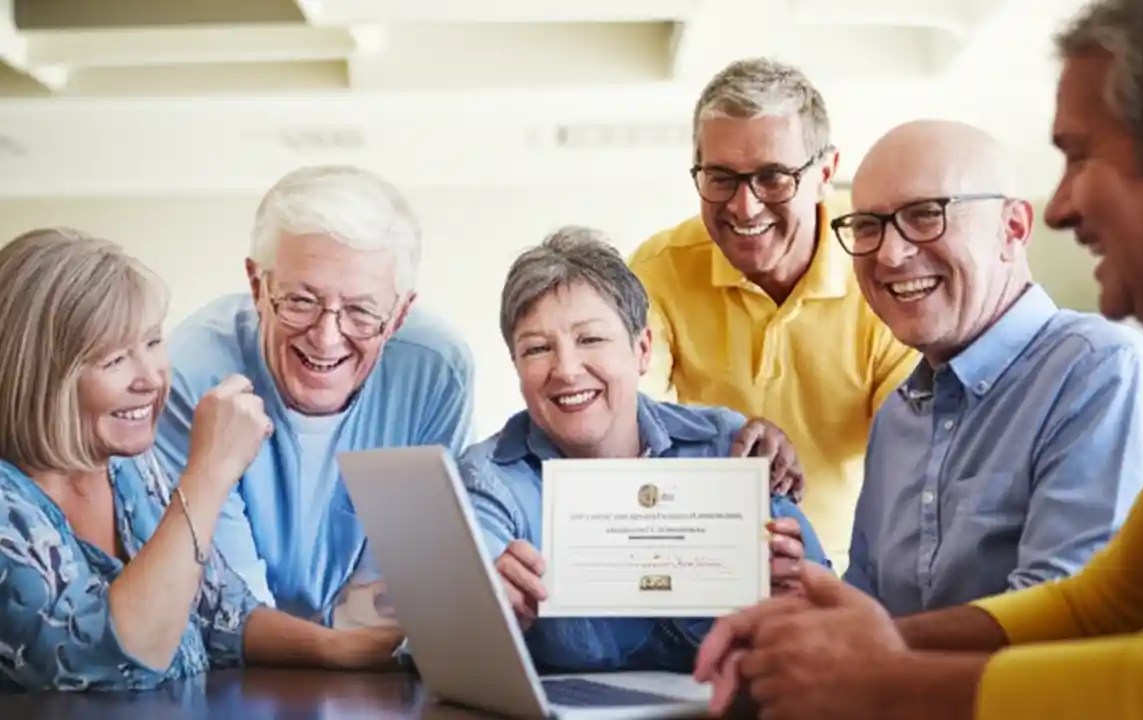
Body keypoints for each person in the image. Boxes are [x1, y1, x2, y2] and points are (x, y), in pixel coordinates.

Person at [692, 0, 1143, 717]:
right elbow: (1101, 604)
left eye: (1080, 156)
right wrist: (841, 647)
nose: (1060, 206)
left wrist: (880, 678)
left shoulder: (1104, 371)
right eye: (870, 225)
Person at [0, 229, 404, 692]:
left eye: (152, 343)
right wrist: (209, 472)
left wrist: (338, 648)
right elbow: (105, 661)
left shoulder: (127, 466)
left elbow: (219, 611)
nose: (151, 379)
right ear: (38, 376)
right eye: (114, 360)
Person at [836, 119, 1143, 615]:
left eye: (925, 215)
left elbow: (1069, 622)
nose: (891, 254)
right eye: (868, 226)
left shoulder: (1100, 374)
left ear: (1013, 228)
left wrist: (866, 651)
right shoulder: (898, 416)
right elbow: (866, 604)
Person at [460, 227, 828, 673]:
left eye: (591, 339)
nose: (567, 370)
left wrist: (796, 596)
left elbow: (833, 617)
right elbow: (454, 649)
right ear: (516, 366)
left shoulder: (727, 445)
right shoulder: (489, 480)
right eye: (537, 349)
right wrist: (481, 621)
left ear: (642, 349)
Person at [153, 165, 476, 626]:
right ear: (256, 286)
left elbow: (401, 583)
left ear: (401, 312)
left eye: (362, 312)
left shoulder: (435, 371)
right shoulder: (192, 371)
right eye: (301, 301)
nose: (327, 337)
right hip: (232, 663)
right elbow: (230, 609)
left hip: (369, 661)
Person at [628, 58, 918, 570]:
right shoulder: (658, 270)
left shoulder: (885, 270)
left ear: (825, 173)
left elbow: (913, 462)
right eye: (721, 178)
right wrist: (725, 434)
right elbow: (627, 419)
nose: (744, 206)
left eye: (773, 178)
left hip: (848, 567)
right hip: (706, 556)